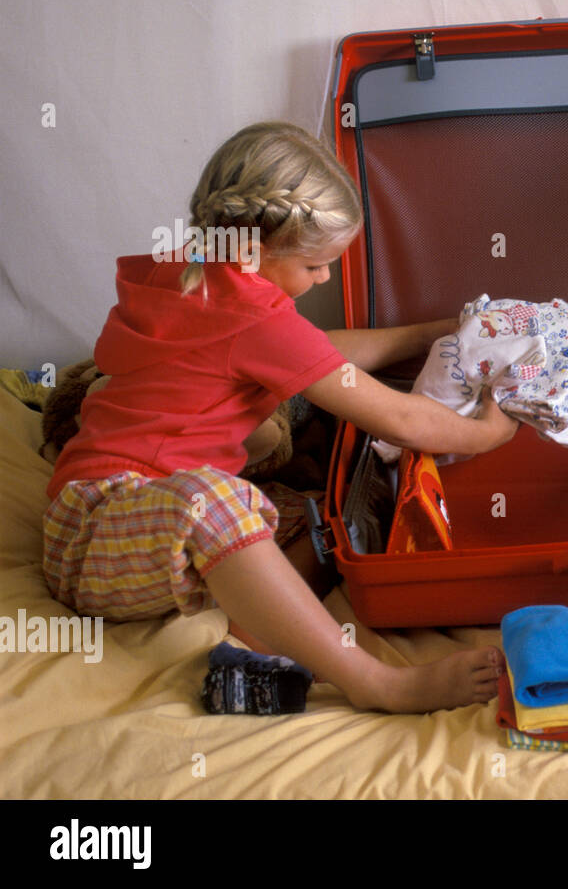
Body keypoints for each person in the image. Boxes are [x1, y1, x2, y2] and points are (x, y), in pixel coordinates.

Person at [44, 121, 518, 712]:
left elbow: (316, 353)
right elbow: (400, 419)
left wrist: (433, 333)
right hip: (94, 531)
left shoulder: (196, 270)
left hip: (140, 524)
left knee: (329, 526)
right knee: (218, 501)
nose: (322, 278)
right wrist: (489, 432)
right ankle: (378, 683)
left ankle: (251, 648)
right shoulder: (250, 317)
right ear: (254, 248)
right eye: (315, 266)